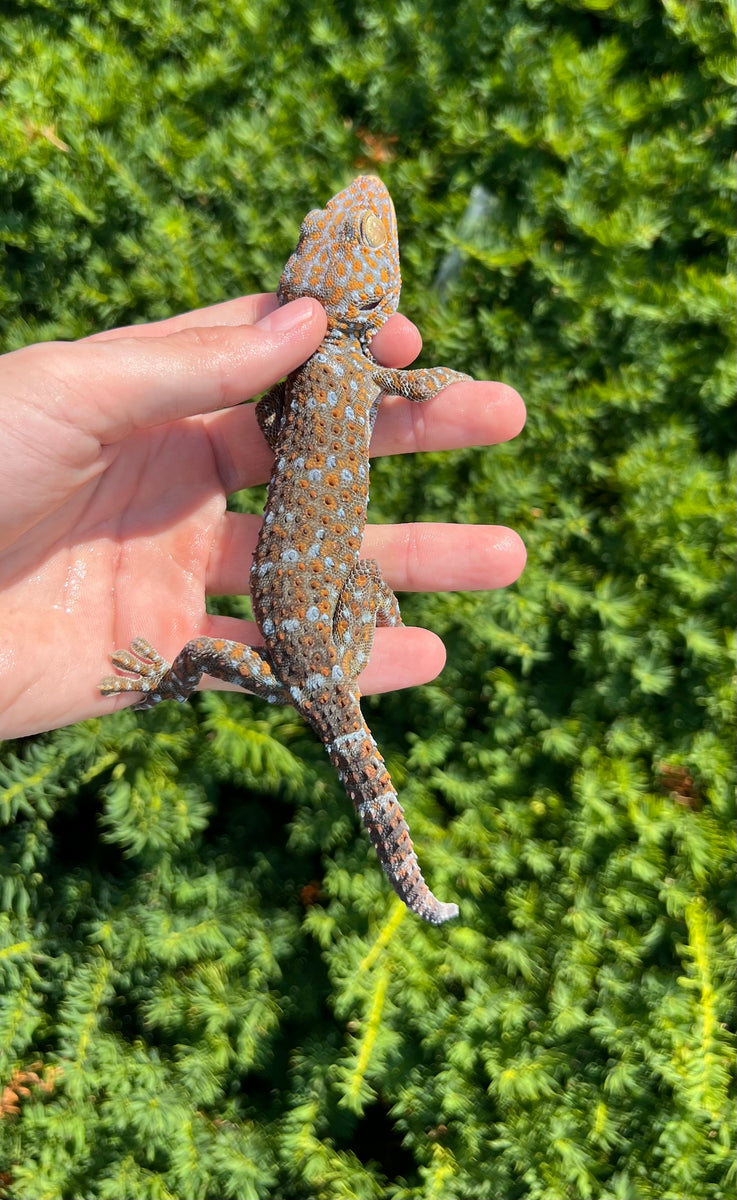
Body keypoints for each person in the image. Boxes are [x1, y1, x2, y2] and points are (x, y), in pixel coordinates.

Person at [0, 293, 526, 740]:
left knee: (362, 579)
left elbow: (271, 416)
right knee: (360, 579)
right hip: (305, 663)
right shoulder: (365, 373)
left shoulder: (350, 374)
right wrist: (440, 378)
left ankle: (166, 685)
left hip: (302, 662)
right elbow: (414, 386)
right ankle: (168, 685)